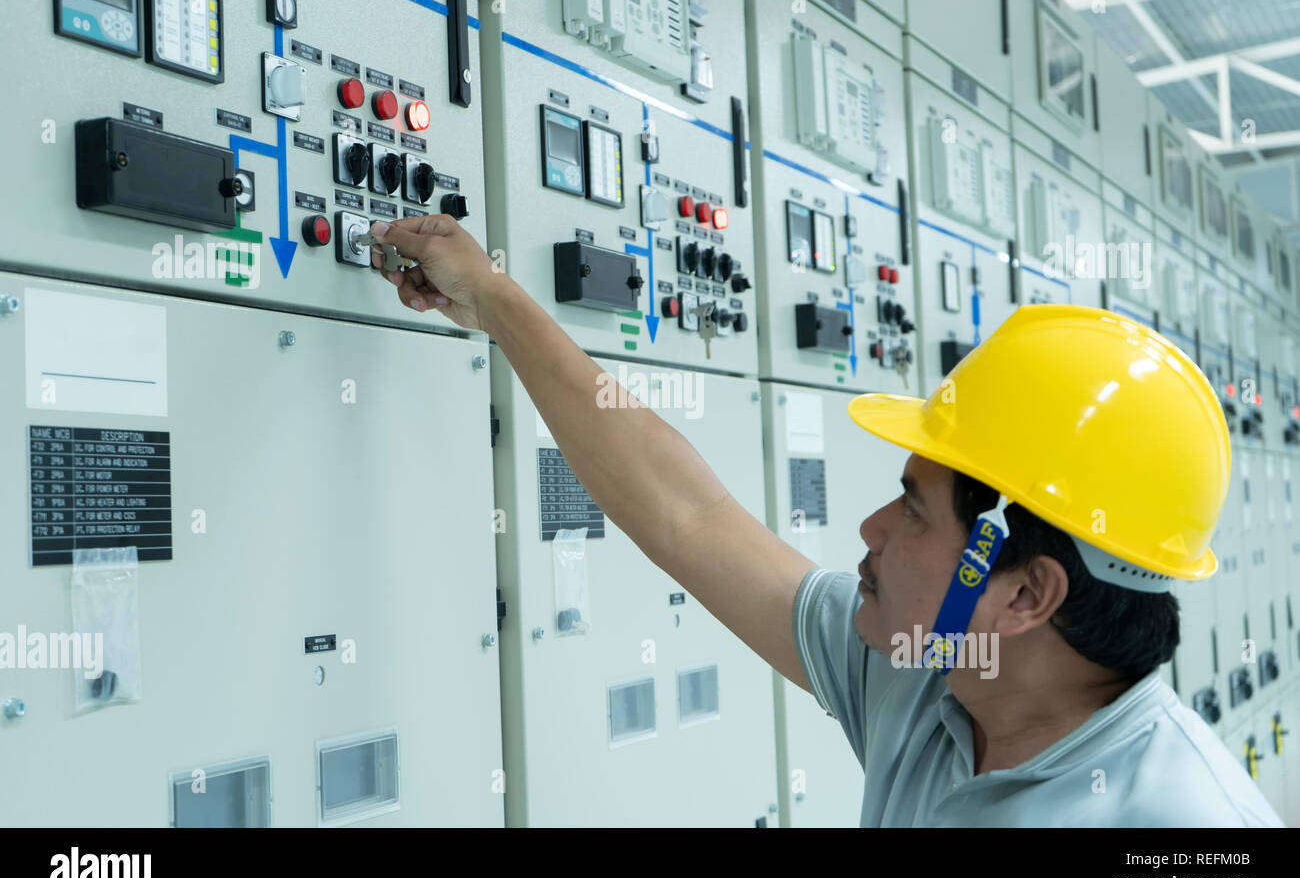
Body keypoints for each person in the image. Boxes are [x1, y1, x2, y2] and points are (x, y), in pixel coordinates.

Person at [364, 214, 1285, 827]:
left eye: (914, 513)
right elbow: (688, 516)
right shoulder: (925, 676)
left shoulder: (1185, 836)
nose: (871, 528)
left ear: (1023, 594)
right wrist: (495, 302)